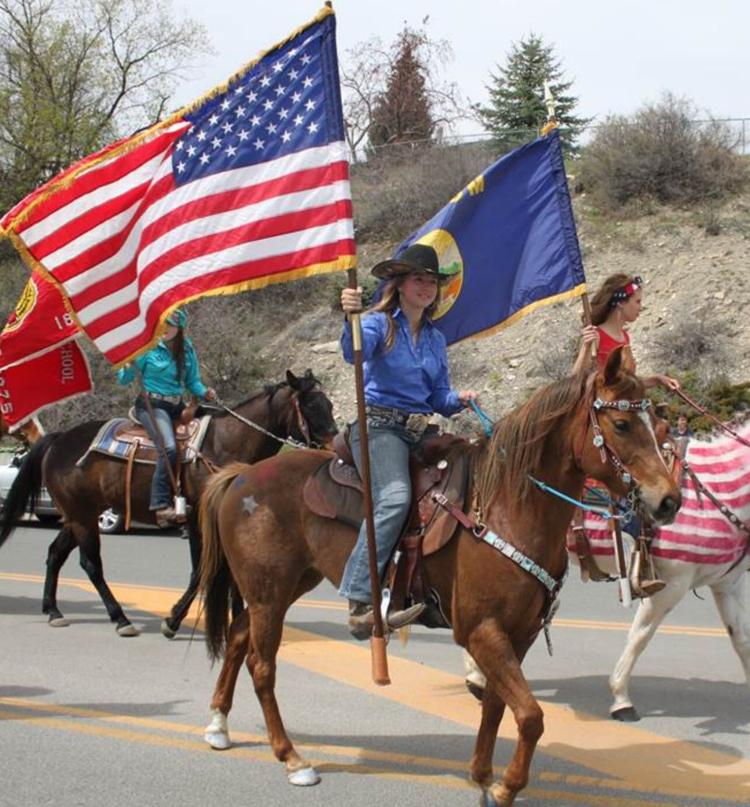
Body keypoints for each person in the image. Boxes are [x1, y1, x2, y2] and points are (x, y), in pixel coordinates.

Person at [339, 243, 478, 640]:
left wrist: (460, 399)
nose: (427, 287)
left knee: (469, 475)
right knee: (396, 498)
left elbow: (438, 398)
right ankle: (360, 597)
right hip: (379, 429)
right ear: (398, 285)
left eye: (432, 281)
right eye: (419, 279)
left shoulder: (435, 338)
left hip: (422, 431)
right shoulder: (378, 324)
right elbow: (351, 353)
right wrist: (350, 314)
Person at [117, 309, 216, 526]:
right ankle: (160, 504)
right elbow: (124, 379)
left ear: (179, 328)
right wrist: (126, 364)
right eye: (162, 323)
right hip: (152, 406)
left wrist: (204, 392)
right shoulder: (148, 346)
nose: (164, 328)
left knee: (216, 428)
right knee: (168, 448)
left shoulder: (187, 350)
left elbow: (193, 382)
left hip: (177, 405)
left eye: (169, 324)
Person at [573, 273, 681, 389]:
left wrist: (658, 380)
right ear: (621, 303)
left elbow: (625, 385)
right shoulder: (596, 337)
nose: (641, 307)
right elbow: (576, 379)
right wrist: (586, 347)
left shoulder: (624, 337)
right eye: (637, 302)